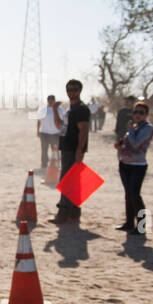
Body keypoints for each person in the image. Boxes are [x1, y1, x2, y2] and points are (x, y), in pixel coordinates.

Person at [50, 79, 91, 225]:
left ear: (80, 90)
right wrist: (54, 110)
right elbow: (60, 125)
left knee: (66, 180)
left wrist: (79, 150)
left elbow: (84, 130)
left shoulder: (81, 109)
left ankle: (64, 212)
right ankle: (74, 211)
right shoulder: (70, 109)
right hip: (66, 147)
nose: (71, 92)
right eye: (69, 89)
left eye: (74, 89)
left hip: (73, 149)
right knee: (72, 180)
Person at [113, 100, 153, 235]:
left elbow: (136, 144)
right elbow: (127, 143)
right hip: (125, 164)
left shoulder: (147, 128)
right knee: (128, 195)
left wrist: (130, 130)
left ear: (146, 114)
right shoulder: (134, 126)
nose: (137, 115)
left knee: (135, 195)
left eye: (141, 112)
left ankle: (142, 226)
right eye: (135, 112)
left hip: (138, 165)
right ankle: (129, 223)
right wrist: (120, 145)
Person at [36, 94, 62, 170]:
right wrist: (37, 131)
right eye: (49, 100)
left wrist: (62, 130)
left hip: (55, 133)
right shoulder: (43, 109)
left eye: (52, 100)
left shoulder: (59, 109)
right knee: (44, 149)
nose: (51, 102)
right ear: (47, 101)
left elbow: (62, 121)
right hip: (44, 133)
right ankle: (44, 164)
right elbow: (39, 121)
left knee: (55, 150)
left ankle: (56, 165)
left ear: (54, 101)